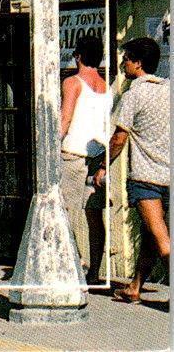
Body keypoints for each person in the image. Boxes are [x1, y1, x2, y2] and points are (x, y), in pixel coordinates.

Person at [96, 37, 168, 304]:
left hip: (146, 178)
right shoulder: (168, 89)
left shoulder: (133, 95)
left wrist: (103, 166)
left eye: (126, 59)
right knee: (150, 235)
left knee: (161, 240)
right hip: (169, 175)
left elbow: (118, 138)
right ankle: (135, 287)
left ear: (138, 63)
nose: (122, 64)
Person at [58, 35, 109, 283]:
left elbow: (65, 119)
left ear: (78, 56)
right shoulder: (106, 86)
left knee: (66, 213)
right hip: (97, 155)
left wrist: (50, 146)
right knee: (94, 215)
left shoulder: (72, 83)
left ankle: (72, 266)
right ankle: (95, 271)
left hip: (73, 154)